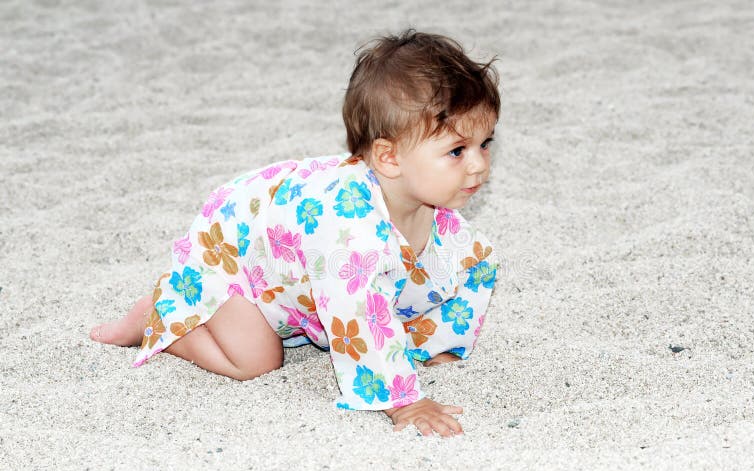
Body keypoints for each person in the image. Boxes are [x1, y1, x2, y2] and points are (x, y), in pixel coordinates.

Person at [90, 29, 500, 438]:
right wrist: (404, 400)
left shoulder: (430, 209)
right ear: (389, 157)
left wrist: (424, 343)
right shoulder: (350, 233)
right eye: (457, 151)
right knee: (256, 359)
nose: (479, 165)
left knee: (469, 263)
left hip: (288, 259)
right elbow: (355, 308)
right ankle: (162, 313)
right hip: (233, 257)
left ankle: (407, 341)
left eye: (486, 143)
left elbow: (465, 269)